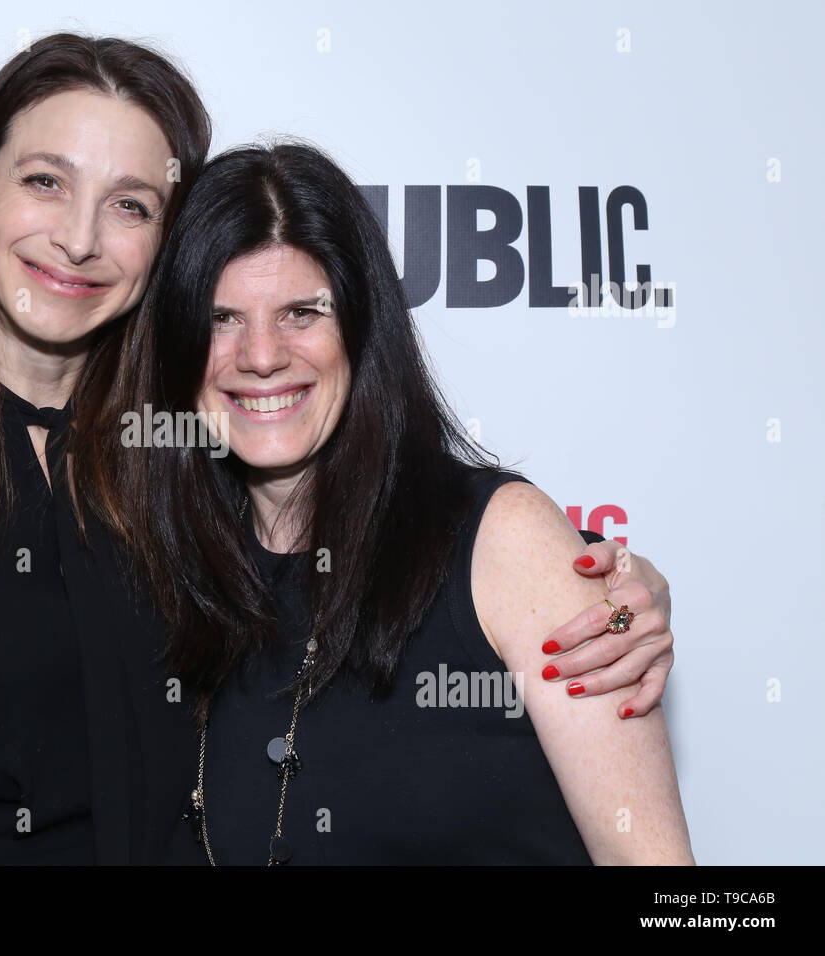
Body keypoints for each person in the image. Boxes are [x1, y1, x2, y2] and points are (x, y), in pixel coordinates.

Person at [0, 33, 678, 866]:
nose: (78, 238)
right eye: (44, 181)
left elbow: (396, 551)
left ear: (167, 244)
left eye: (131, 204)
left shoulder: (182, 465)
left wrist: (601, 591)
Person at [100, 141, 694, 865]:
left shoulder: (502, 542)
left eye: (299, 313)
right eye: (223, 319)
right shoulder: (168, 577)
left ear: (361, 329)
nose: (260, 355)